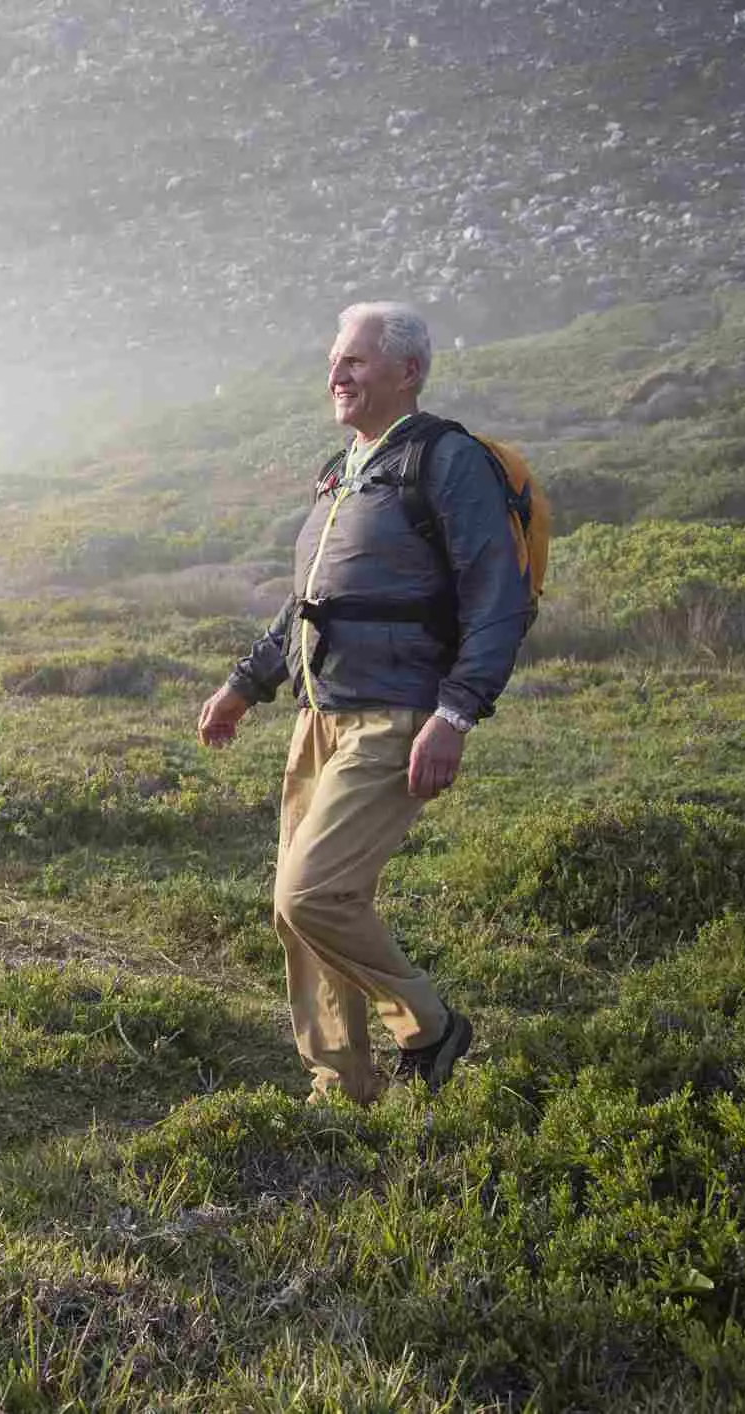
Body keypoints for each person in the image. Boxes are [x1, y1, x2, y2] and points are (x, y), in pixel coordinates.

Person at [196, 302, 527, 1105]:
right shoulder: (342, 468)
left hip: (394, 712)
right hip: (317, 712)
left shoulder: (444, 460)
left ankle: (428, 1024)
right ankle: (341, 1085)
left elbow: (499, 599)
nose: (335, 374)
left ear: (406, 371)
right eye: (333, 360)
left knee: (310, 893)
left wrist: (453, 716)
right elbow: (309, 601)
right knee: (299, 914)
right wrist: (246, 685)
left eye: (353, 360)